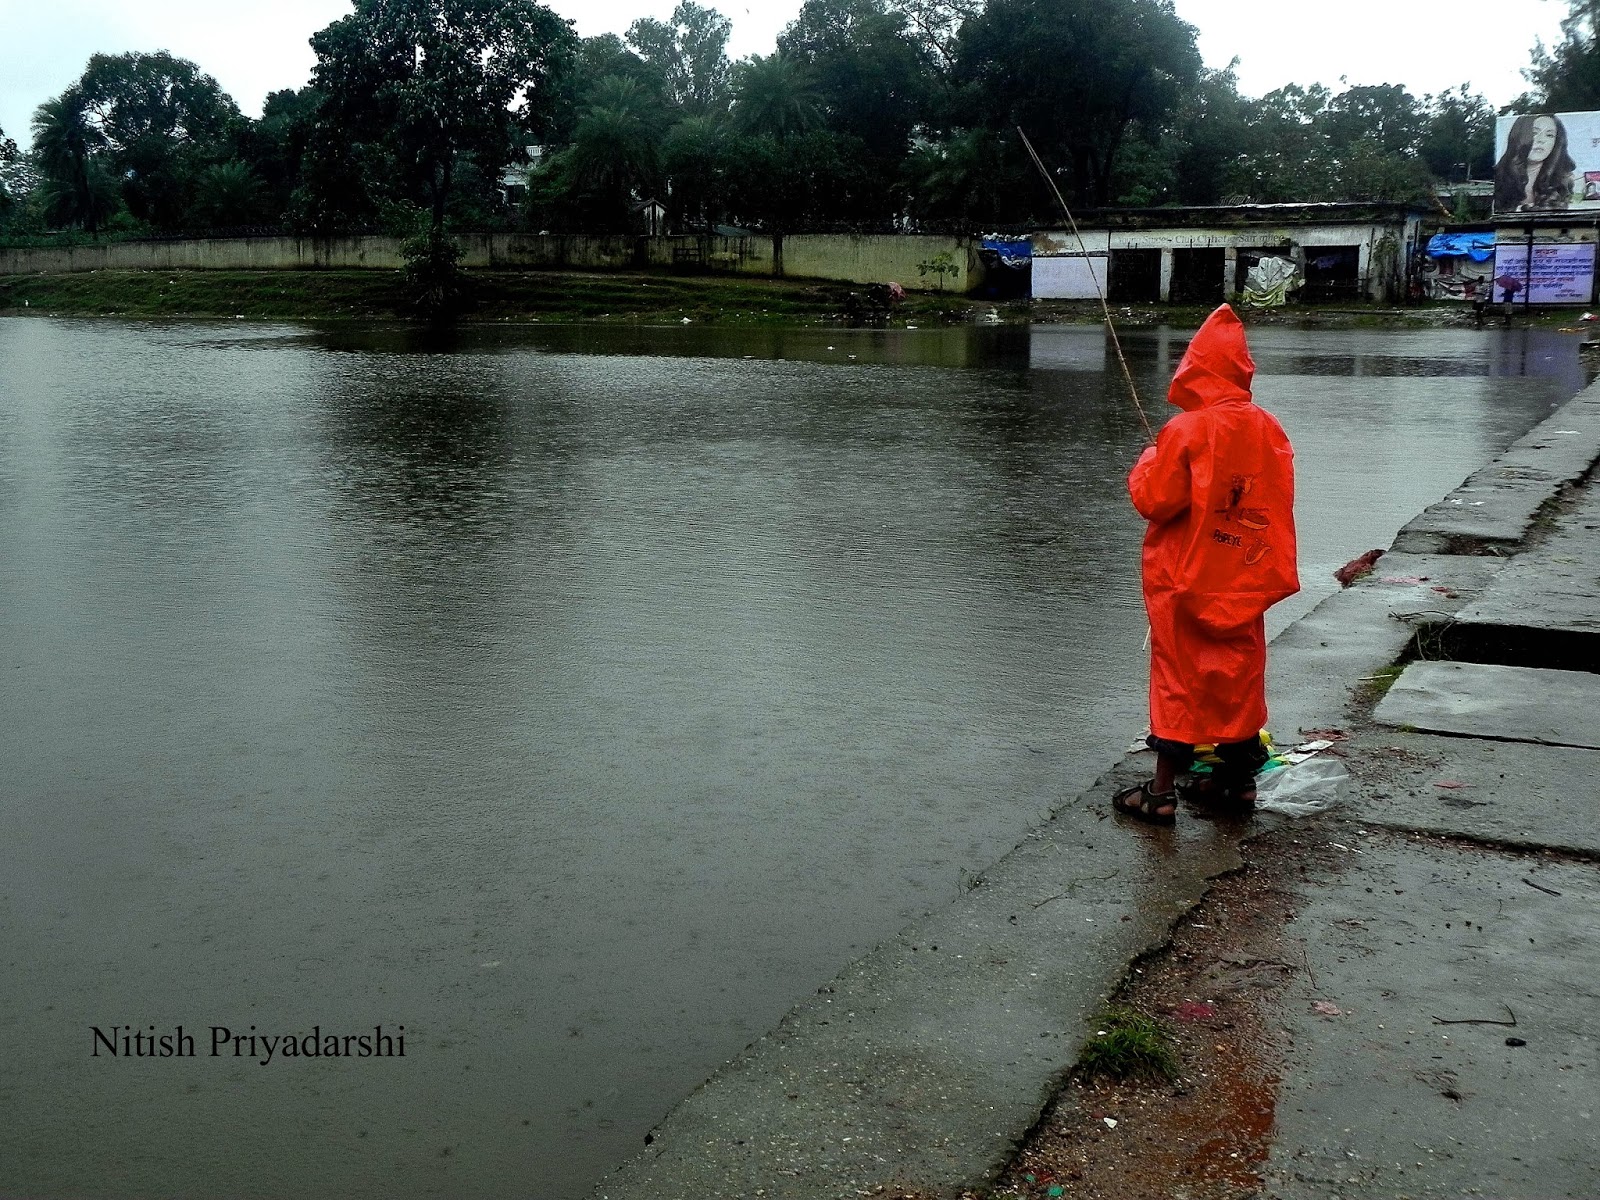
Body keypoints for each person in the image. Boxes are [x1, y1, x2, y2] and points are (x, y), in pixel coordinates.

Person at [1113, 304, 1299, 824]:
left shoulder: (1186, 430)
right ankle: (1236, 783)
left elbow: (1155, 500)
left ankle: (1161, 791)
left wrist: (1151, 458)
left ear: (1193, 369)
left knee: (1179, 677)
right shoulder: (1269, 427)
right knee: (1239, 676)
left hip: (1186, 578)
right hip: (1245, 574)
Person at [1494, 113, 1576, 212]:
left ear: (1556, 142)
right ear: (1519, 137)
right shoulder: (1500, 177)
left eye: (1549, 135)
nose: (1541, 140)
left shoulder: (1566, 181)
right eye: (1534, 133)